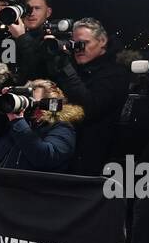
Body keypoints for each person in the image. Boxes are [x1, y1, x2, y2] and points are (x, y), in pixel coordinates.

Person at [49, 17, 130, 175]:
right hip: (65, 151)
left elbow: (89, 108)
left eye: (84, 43)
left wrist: (66, 69)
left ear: (102, 41)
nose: (78, 49)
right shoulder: (73, 66)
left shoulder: (115, 72)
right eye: (75, 44)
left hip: (94, 158)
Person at [0, 79, 82, 172]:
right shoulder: (19, 121)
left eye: (33, 102)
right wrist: (1, 108)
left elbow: (46, 158)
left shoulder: (63, 128)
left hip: (29, 188)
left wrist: (18, 122)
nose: (28, 105)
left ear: (50, 105)